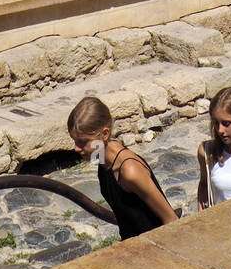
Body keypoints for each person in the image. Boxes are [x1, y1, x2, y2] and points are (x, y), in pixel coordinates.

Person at [67, 97, 177, 238]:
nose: (76, 148)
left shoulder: (129, 171)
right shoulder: (102, 158)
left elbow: (171, 219)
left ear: (105, 134)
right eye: (75, 141)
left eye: (83, 142)